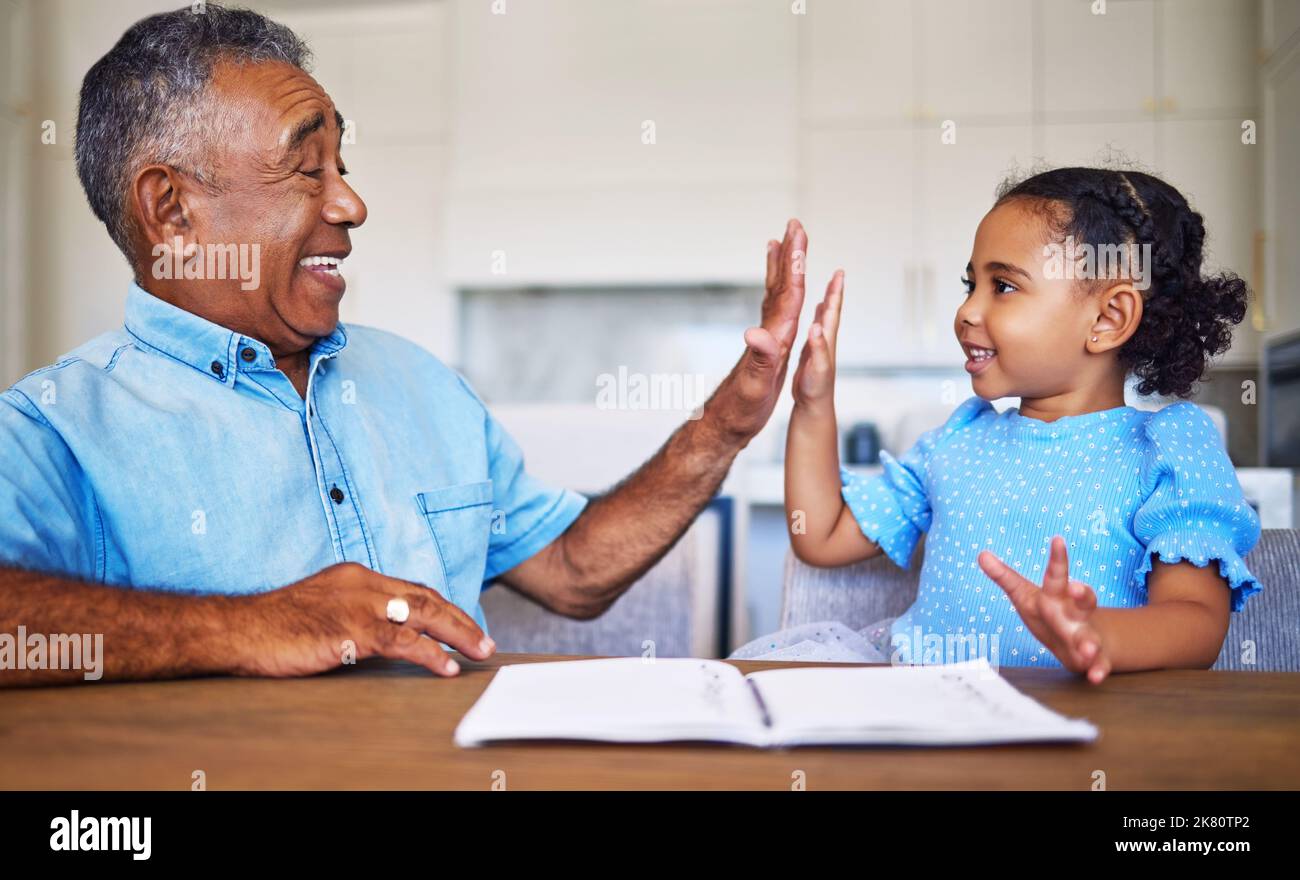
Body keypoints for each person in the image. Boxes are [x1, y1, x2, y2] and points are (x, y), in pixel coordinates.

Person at [739, 167, 1261, 684]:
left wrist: (1097, 634)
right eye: (971, 284)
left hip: (1084, 731)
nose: (966, 311)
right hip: (923, 712)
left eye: (1003, 286)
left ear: (1107, 319)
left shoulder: (1167, 449)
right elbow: (822, 535)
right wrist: (811, 403)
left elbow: (1198, 621)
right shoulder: (959, 439)